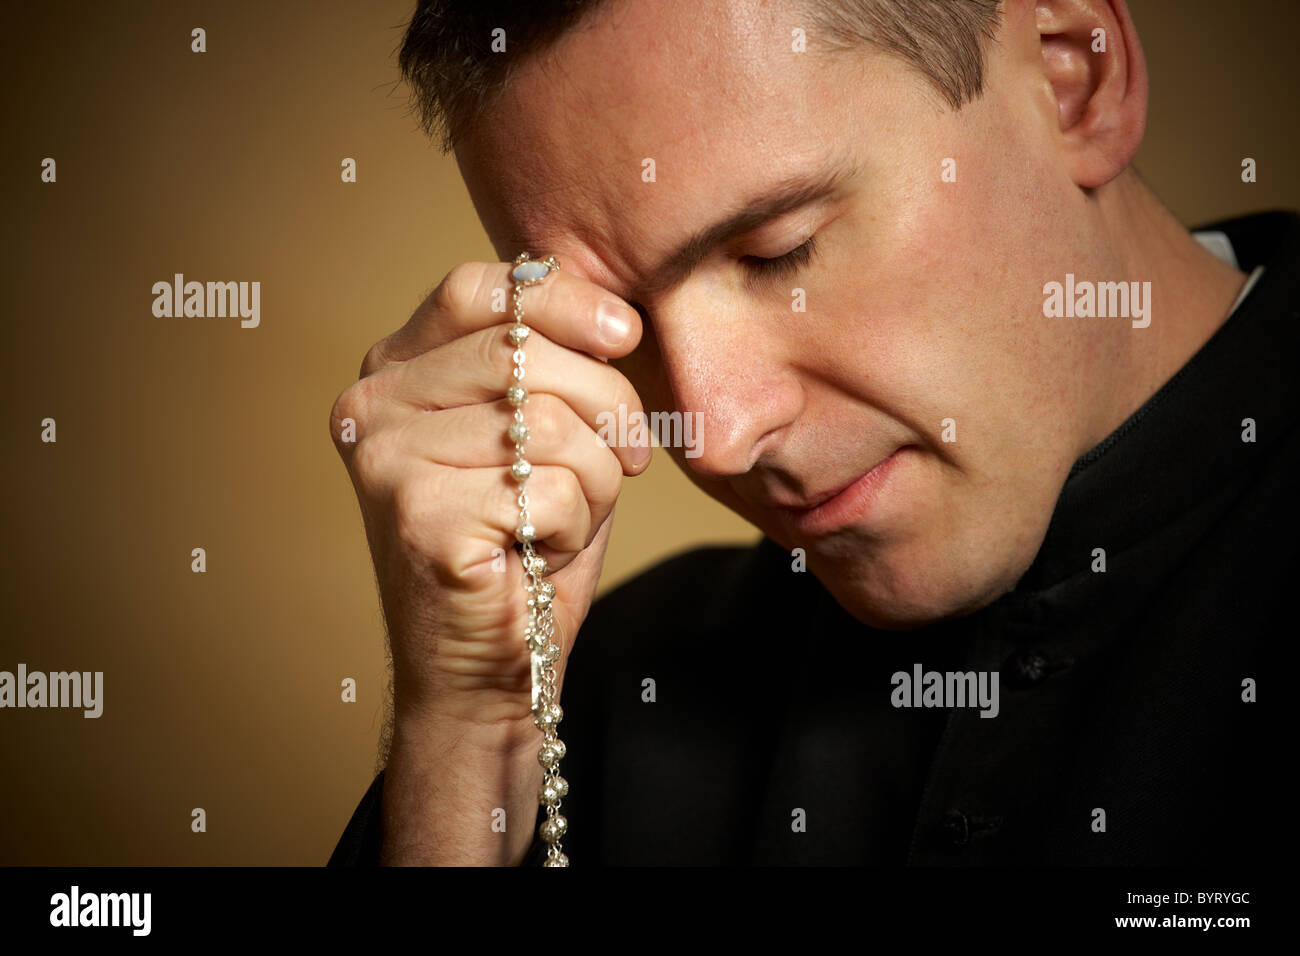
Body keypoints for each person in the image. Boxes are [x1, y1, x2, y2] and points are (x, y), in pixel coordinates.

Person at [327, 0, 1287, 865]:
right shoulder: (606, 700)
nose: (711, 437)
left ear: (1079, 78)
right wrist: (460, 743)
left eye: (778, 251)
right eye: (613, 321)